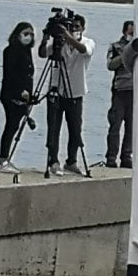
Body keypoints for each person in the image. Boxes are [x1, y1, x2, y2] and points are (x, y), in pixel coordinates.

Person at [40, 11, 94, 176]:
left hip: (76, 92)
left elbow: (84, 50)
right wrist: (46, 37)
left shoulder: (88, 42)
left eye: (76, 27)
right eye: (70, 26)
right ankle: (53, 161)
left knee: (75, 129)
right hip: (56, 90)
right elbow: (43, 54)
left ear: (83, 28)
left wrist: (67, 36)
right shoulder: (59, 43)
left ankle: (72, 161)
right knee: (54, 128)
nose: (73, 29)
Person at [0, 21, 38, 171]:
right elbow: (10, 74)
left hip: (24, 96)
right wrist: (20, 90)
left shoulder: (27, 51)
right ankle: (3, 159)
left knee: (15, 125)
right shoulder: (10, 51)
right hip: (11, 94)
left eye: (31, 35)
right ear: (18, 34)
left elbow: (28, 74)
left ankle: (6, 158)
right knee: (11, 125)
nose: (29, 37)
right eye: (26, 34)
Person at [105, 20, 138, 169]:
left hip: (134, 90)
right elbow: (110, 65)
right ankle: (111, 157)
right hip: (119, 90)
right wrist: (125, 53)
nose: (132, 35)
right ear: (125, 32)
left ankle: (126, 157)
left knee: (131, 127)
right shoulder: (115, 46)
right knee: (115, 126)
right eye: (130, 33)